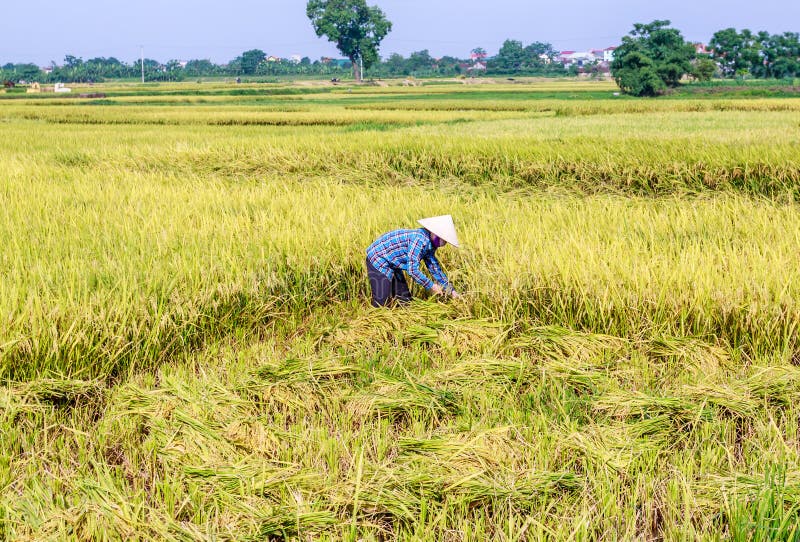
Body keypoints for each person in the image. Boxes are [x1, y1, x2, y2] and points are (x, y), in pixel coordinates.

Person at [366, 215, 461, 307]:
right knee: (381, 301)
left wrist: (451, 291)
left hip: (394, 262)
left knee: (404, 300)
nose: (442, 242)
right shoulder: (419, 239)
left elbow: (435, 269)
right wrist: (431, 286)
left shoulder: (431, 244)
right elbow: (412, 270)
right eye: (441, 238)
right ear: (433, 232)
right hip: (378, 257)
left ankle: (402, 322)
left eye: (445, 241)